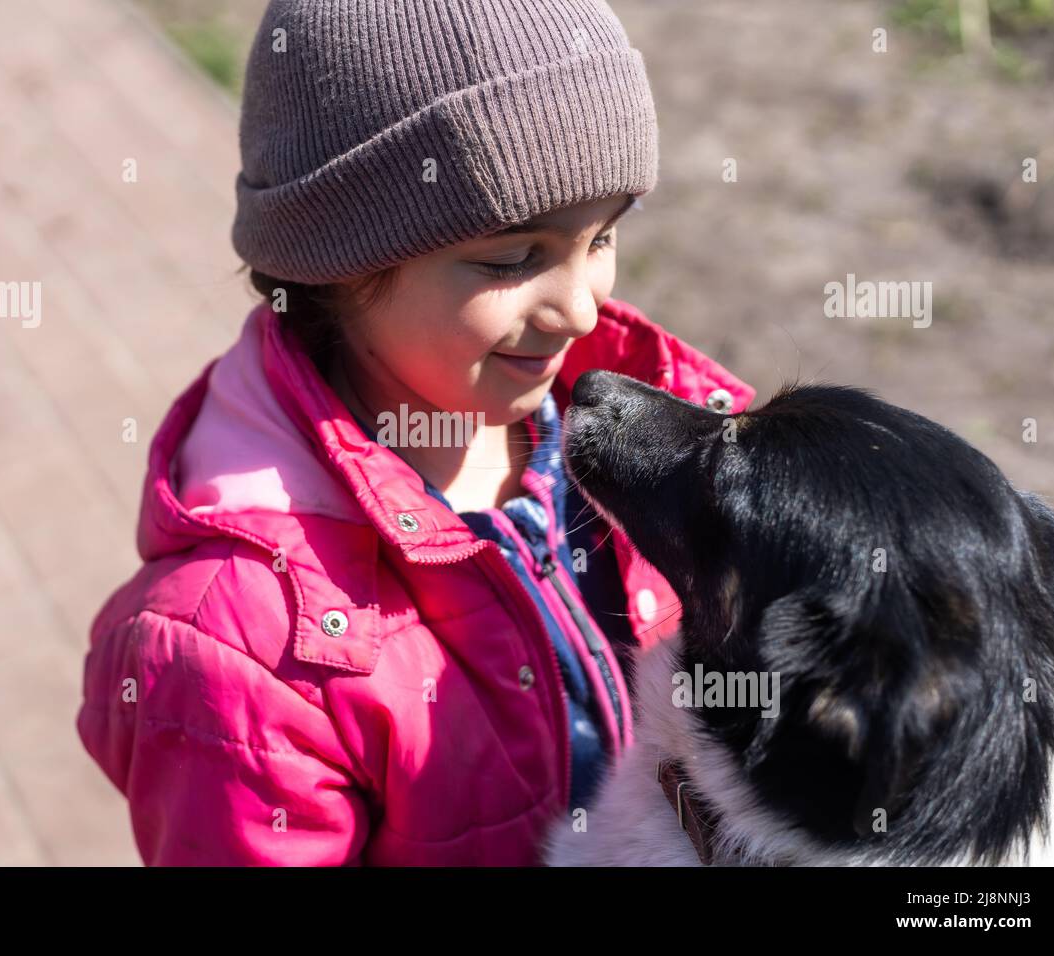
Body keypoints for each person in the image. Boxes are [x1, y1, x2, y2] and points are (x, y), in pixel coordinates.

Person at [76, 0, 755, 865]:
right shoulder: (237, 655)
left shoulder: (646, 437)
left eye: (604, 235)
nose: (581, 307)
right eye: (513, 259)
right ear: (337, 263)